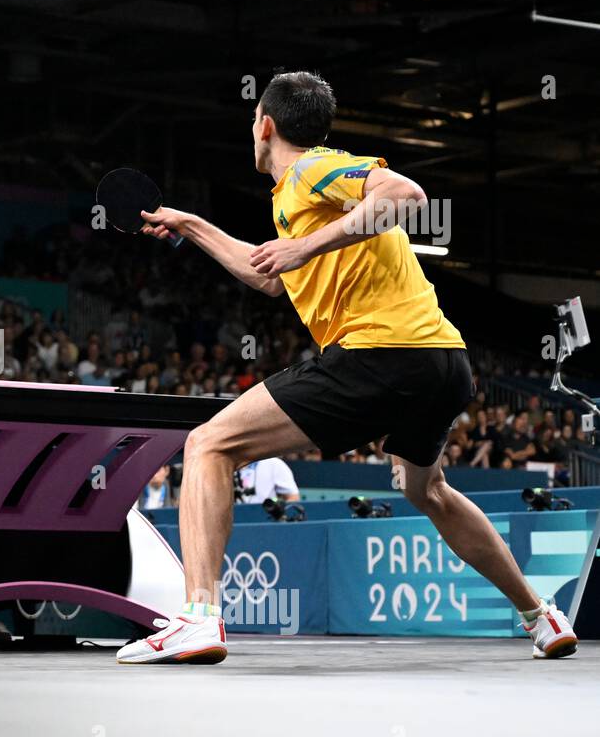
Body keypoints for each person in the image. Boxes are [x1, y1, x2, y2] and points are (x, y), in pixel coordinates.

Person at [125, 71, 576, 664]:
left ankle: (200, 617)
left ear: (265, 124)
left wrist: (305, 247)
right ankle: (539, 615)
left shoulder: (313, 169)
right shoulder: (296, 200)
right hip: (443, 361)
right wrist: (192, 225)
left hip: (377, 355)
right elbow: (266, 273)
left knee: (209, 444)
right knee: (429, 488)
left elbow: (406, 196)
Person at [235, 457, 300, 505]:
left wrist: (277, 510)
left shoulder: (274, 463)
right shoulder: (226, 463)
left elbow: (293, 497)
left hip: (266, 517)